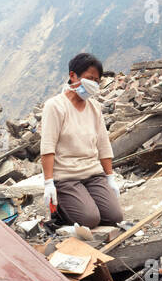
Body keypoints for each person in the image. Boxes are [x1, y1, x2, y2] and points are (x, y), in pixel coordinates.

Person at [40, 53, 123, 228]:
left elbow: (103, 144)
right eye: (89, 78)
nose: (93, 84)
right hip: (66, 177)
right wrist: (49, 183)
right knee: (89, 220)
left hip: (93, 174)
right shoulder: (55, 106)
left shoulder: (94, 107)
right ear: (72, 76)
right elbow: (48, 147)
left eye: (97, 81)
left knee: (115, 216)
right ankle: (60, 212)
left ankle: (83, 200)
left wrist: (110, 177)